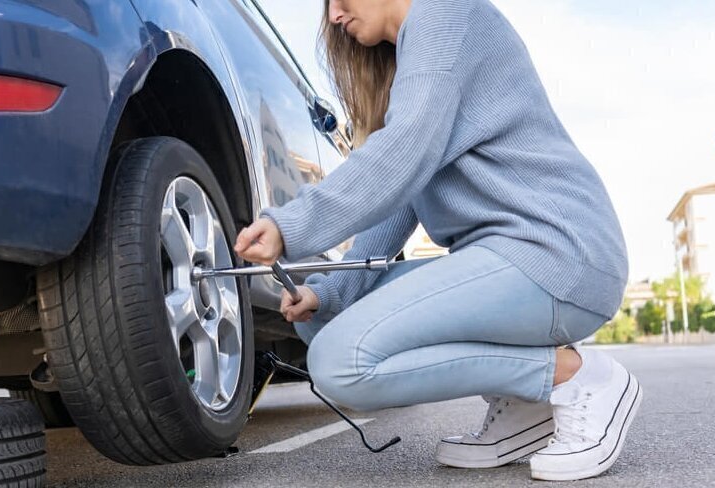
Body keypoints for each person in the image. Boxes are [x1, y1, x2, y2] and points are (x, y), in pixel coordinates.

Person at [233, 0, 641, 482]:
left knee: (338, 364)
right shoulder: (417, 59)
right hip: (511, 259)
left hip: (557, 254)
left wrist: (291, 225)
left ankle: (573, 377)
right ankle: (528, 405)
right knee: (323, 323)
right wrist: (332, 293)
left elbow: (402, 154)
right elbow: (403, 198)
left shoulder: (444, 13)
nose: (334, 15)